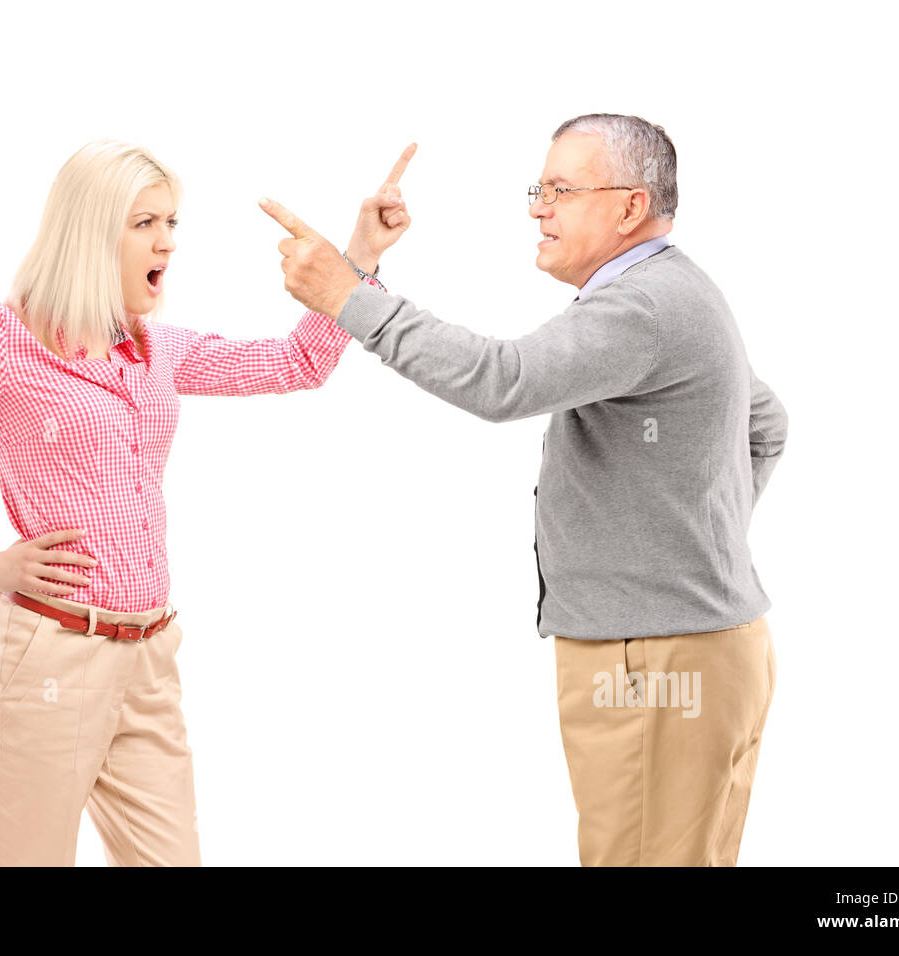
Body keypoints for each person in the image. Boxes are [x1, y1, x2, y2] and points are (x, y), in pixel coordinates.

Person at [0, 138, 415, 866]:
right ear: (90, 229)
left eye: (172, 223)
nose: (168, 242)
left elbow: (296, 363)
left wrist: (359, 255)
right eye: (146, 223)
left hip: (148, 657)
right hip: (46, 662)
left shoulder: (154, 348)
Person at [259, 114, 788, 866]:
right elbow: (765, 423)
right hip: (702, 650)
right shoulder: (678, 292)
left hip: (655, 661)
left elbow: (502, 382)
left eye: (561, 190)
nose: (539, 207)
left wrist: (349, 293)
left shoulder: (641, 307)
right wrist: (692, 550)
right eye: (539, 188)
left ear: (629, 207)